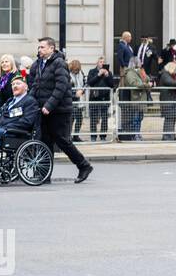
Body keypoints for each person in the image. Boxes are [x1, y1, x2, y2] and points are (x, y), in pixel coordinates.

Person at [29, 37, 93, 183]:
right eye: (39, 47)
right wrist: (28, 102)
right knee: (44, 142)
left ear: (51, 48)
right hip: (43, 110)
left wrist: (49, 105)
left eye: (42, 47)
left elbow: (61, 87)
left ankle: (84, 166)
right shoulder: (39, 64)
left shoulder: (59, 63)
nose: (39, 50)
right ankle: (44, 174)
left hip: (59, 111)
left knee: (63, 141)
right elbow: (35, 85)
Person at [116, 62, 150, 141]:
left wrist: (144, 75)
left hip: (141, 99)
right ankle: (134, 135)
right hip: (135, 99)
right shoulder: (130, 73)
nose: (142, 64)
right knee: (135, 119)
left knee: (140, 118)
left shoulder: (139, 71)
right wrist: (147, 85)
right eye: (140, 62)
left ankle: (137, 134)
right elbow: (134, 84)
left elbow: (147, 79)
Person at [85, 57, 115, 142]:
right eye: (100, 62)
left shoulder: (109, 73)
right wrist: (98, 75)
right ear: (97, 63)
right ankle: (93, 136)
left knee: (104, 118)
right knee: (93, 118)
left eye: (103, 62)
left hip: (105, 98)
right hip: (94, 98)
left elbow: (112, 85)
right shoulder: (92, 71)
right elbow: (89, 83)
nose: (102, 63)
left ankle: (103, 136)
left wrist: (107, 76)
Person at [67, 58, 86, 141]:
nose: (76, 72)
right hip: (70, 101)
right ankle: (69, 136)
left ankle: (76, 135)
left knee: (79, 119)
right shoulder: (67, 75)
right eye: (75, 70)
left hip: (79, 101)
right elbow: (66, 89)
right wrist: (75, 94)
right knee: (71, 119)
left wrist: (82, 90)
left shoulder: (81, 73)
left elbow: (85, 84)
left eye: (77, 70)